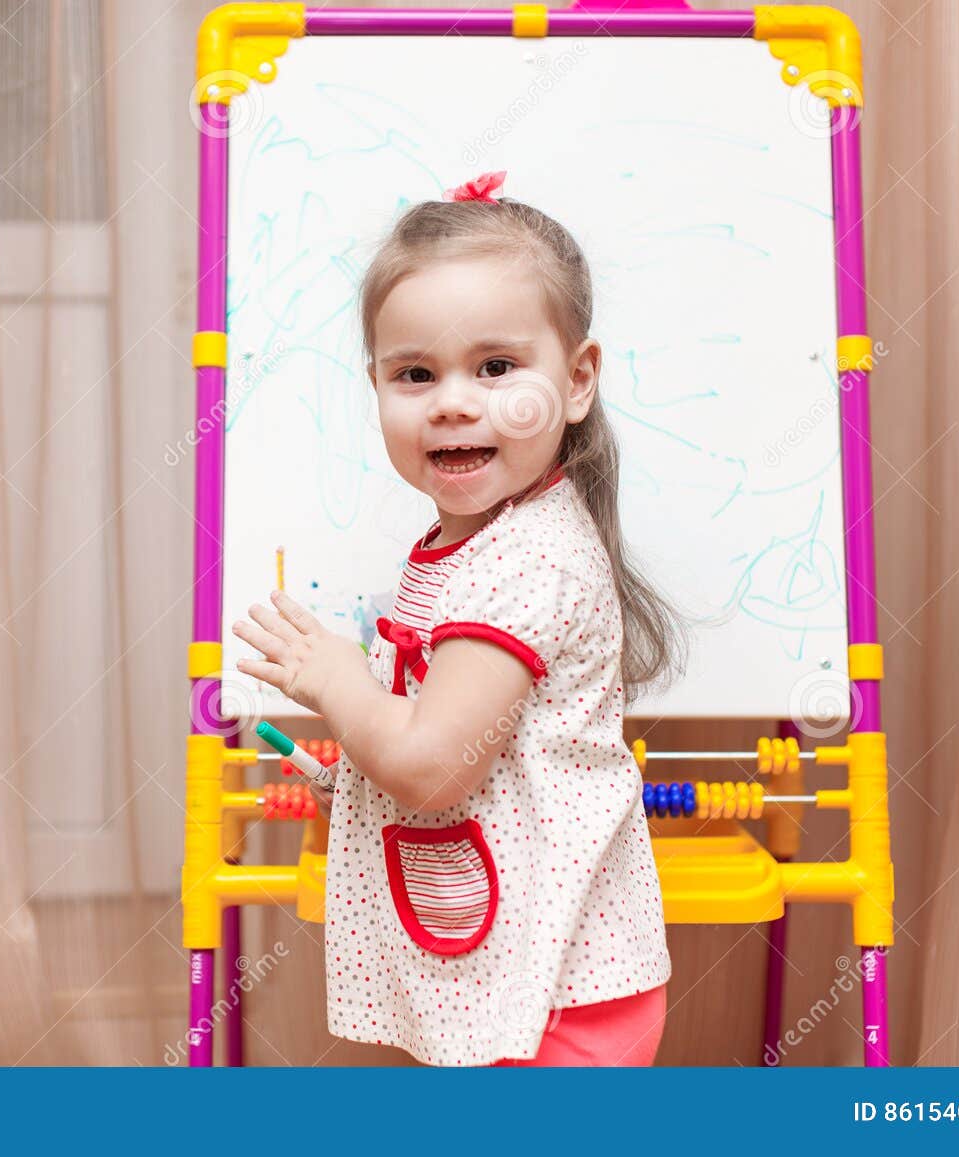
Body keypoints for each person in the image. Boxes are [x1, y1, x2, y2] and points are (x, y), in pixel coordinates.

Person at [232, 170, 686, 1066]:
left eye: (495, 367)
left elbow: (431, 765)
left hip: (556, 993)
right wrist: (355, 779)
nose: (450, 399)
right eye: (414, 373)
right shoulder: (475, 540)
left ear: (578, 378)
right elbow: (464, 747)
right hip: (522, 969)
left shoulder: (527, 562)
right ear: (376, 387)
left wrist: (335, 680)